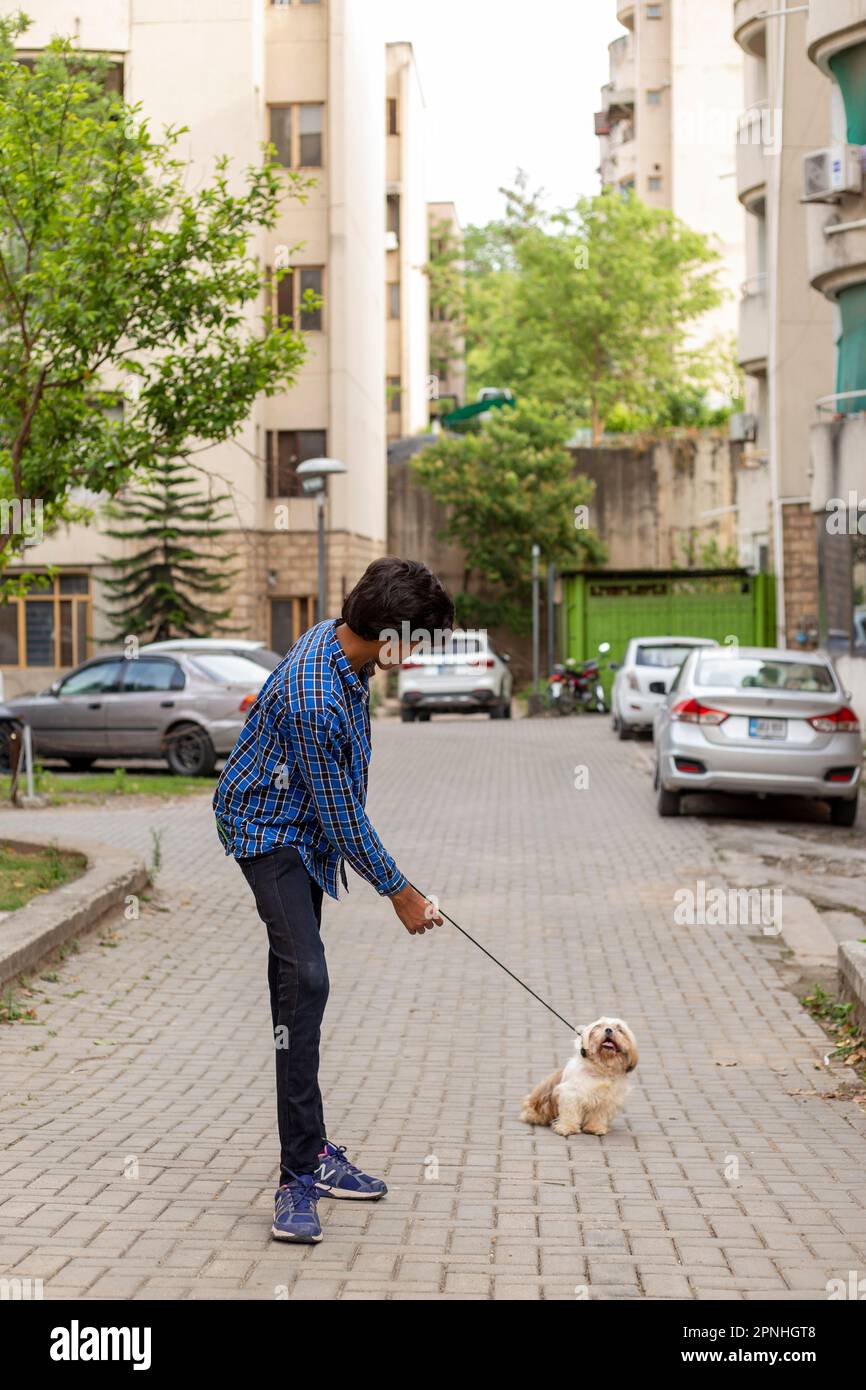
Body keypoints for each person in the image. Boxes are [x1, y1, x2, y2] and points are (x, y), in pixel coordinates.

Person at [213, 557, 453, 1243]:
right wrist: (400, 892)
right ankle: (297, 1177)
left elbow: (339, 801)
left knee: (295, 987)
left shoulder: (344, 649)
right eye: (420, 639)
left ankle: (311, 1148)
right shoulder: (317, 692)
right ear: (387, 636)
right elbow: (342, 814)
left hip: (302, 829)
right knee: (308, 978)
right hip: (267, 831)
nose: (422, 653)